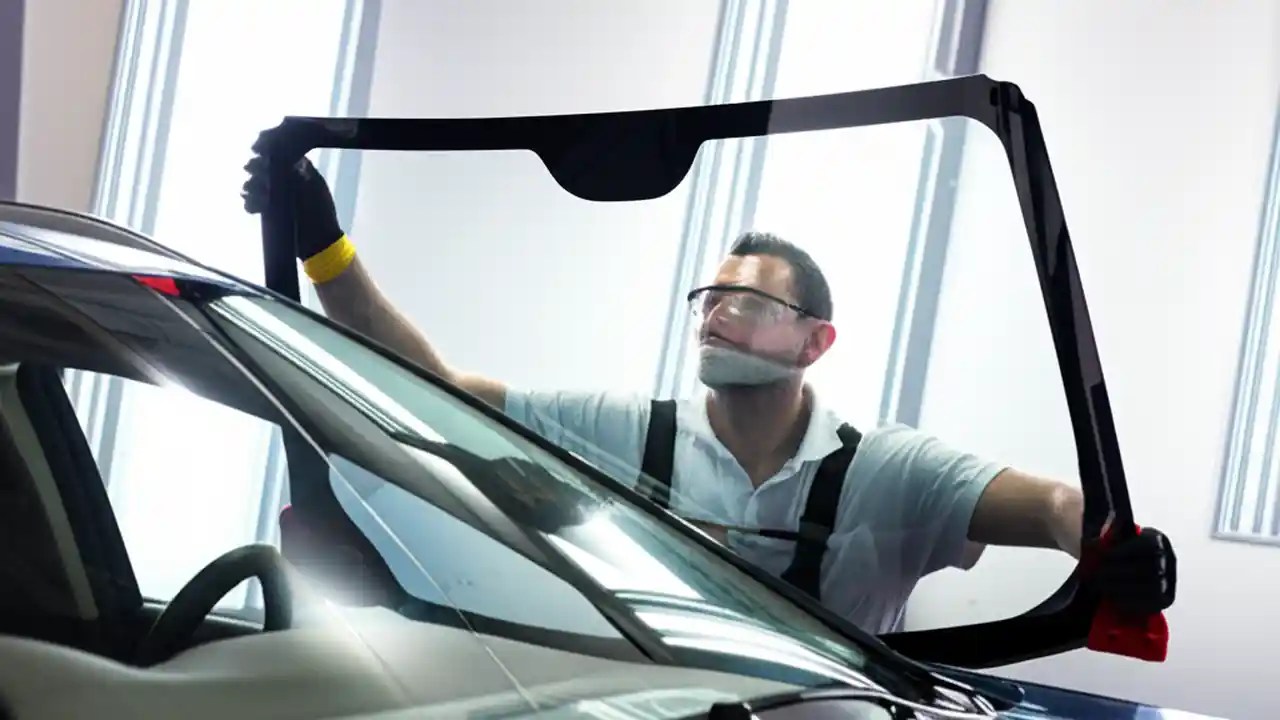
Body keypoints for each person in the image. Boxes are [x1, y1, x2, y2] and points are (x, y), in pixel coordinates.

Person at [241, 154, 1176, 635]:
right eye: (709, 298)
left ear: (816, 342)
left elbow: (1051, 505)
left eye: (750, 301)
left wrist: (1112, 546)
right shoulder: (624, 433)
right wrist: (325, 247)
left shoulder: (887, 471)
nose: (717, 314)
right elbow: (438, 388)